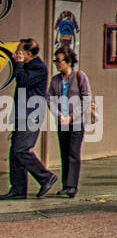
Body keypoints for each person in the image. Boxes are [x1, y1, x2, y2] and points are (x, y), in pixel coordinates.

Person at [0, 39, 57, 201]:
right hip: (22, 114)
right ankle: (18, 189)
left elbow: (22, 80)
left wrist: (18, 64)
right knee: (15, 153)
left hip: (32, 115)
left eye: (20, 51)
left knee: (21, 150)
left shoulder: (38, 68)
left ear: (29, 54)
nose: (17, 53)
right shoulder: (27, 65)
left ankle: (45, 177)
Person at [48, 45, 90, 198]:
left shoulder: (80, 76)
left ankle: (72, 186)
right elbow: (50, 99)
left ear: (69, 61)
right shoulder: (55, 80)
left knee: (73, 152)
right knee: (64, 153)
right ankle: (65, 185)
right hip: (62, 121)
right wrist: (59, 115)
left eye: (60, 61)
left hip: (76, 121)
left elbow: (86, 99)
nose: (58, 64)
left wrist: (72, 116)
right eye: (56, 61)